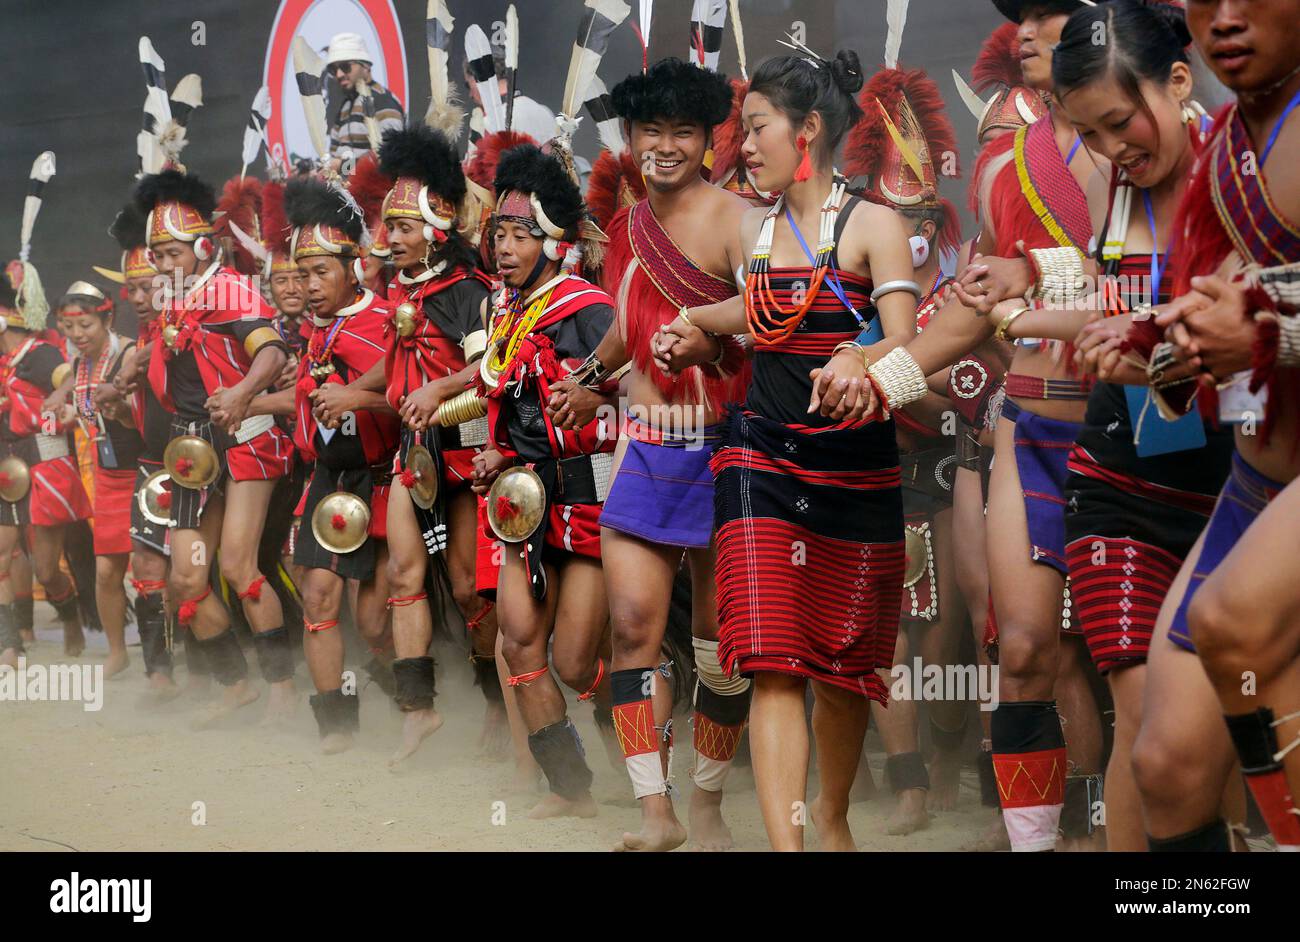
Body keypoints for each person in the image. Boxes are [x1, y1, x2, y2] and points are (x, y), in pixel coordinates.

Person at [852, 0, 1107, 851]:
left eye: (1051, 15)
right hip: (1025, 428)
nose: (1027, 34)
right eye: (1021, 19)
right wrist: (881, 379)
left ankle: (1112, 831)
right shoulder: (1008, 162)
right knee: (1024, 643)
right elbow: (973, 315)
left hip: (1132, 426)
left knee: (1130, 660)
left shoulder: (1160, 138)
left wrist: (1035, 273)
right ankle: (1037, 833)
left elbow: (1159, 295)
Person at [656, 45, 918, 852]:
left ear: (808, 129)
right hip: (760, 462)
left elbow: (910, 346)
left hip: (858, 471)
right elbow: (751, 324)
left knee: (842, 668)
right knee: (771, 659)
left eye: (758, 127)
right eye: (743, 130)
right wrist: (691, 334)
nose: (743, 145)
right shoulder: (753, 231)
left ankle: (830, 819)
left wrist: (860, 356)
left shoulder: (876, 224)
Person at [987, 0, 1235, 851]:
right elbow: (1096, 298)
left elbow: (1247, 323)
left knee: (1217, 740)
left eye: (1120, 123)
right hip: (1115, 487)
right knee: (1148, 729)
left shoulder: (1250, 173)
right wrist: (897, 365)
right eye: (1090, 134)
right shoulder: (1114, 191)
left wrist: (1157, 340)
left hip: (1239, 491)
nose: (1111, 150)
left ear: (1177, 79)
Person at [548, 57, 751, 851]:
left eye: (683, 132)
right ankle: (654, 812)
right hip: (647, 449)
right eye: (650, 132)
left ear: (708, 140)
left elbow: (771, 333)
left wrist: (710, 343)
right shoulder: (625, 231)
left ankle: (707, 800)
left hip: (730, 448)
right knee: (633, 626)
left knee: (718, 649)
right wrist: (589, 378)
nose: (664, 147)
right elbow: (628, 329)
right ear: (630, 138)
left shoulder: (739, 220)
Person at [1123, 0, 1300, 852]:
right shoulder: (1230, 140)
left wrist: (1273, 335)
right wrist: (1164, 341)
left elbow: (1266, 321)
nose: (1225, 15)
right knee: (1167, 761)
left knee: (1233, 620)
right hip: (1256, 483)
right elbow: (1230, 308)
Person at [313, 123, 497, 766]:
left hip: (465, 451)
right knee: (403, 576)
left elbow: (491, 368)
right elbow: (394, 364)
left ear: (436, 225)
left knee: (471, 589)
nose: (389, 238)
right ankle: (420, 710)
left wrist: (437, 390)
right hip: (411, 456)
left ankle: (499, 704)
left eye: (402, 227)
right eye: (387, 227)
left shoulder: (469, 293)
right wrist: (358, 392)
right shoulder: (400, 290)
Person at [473, 141, 618, 819]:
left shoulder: (586, 306)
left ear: (554, 239)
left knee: (578, 661)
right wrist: (499, 455)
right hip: (524, 502)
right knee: (517, 645)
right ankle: (572, 790)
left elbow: (641, 383)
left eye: (521, 234)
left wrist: (602, 398)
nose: (504, 247)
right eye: (498, 233)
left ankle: (646, 755)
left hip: (588, 492)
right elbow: (509, 404)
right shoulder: (500, 313)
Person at [844, 61, 968, 834]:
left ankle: (956, 764)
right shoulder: (847, 295)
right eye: (900, 215)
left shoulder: (958, 296)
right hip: (869, 477)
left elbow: (960, 391)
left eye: (925, 215)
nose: (914, 231)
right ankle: (910, 785)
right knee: (884, 633)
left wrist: (892, 374)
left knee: (951, 629)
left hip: (947, 475)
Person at [134, 168, 294, 726]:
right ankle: (236, 684)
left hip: (245, 439)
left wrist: (244, 394)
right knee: (186, 577)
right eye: (157, 255)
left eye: (173, 252)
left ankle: (281, 688)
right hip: (192, 449)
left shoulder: (229, 289)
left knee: (238, 564)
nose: (164, 263)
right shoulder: (168, 298)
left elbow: (271, 351)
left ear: (202, 246)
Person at [248, 175, 400, 753]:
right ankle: (336, 723)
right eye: (299, 275)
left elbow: (420, 395)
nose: (308, 287)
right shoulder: (310, 330)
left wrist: (360, 398)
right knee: (316, 598)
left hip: (385, 480)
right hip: (327, 480)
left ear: (353, 266)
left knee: (375, 624)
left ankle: (412, 698)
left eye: (319, 273)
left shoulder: (388, 320)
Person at [97, 202, 184, 698]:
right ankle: (159, 674)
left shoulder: (191, 325)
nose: (138, 297)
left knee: (200, 572)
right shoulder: (137, 344)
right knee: (148, 570)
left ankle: (235, 670)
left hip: (202, 465)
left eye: (147, 285)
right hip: (153, 467)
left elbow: (177, 346)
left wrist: (131, 368)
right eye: (131, 289)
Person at [0, 260, 92, 668]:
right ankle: (9, 644)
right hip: (10, 467)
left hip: (47, 465)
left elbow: (71, 373)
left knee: (45, 569)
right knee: (1, 557)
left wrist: (61, 395)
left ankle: (70, 613)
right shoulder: (11, 361)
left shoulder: (38, 355)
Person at [57, 281, 149, 680]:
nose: (78, 336)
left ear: (107, 319)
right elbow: (85, 410)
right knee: (107, 572)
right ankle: (117, 651)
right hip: (108, 477)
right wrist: (69, 416)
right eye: (69, 328)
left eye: (86, 327)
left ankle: (165, 652)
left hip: (145, 472)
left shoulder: (130, 354)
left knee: (153, 571)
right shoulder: (79, 364)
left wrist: (125, 414)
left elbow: (150, 420)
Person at [325, 32, 405, 171]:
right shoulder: (345, 106)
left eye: (345, 66)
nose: (339, 74)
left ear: (366, 66)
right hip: (347, 190)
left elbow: (391, 157)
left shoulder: (382, 101)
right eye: (333, 69)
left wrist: (343, 166)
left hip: (374, 190)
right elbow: (335, 154)